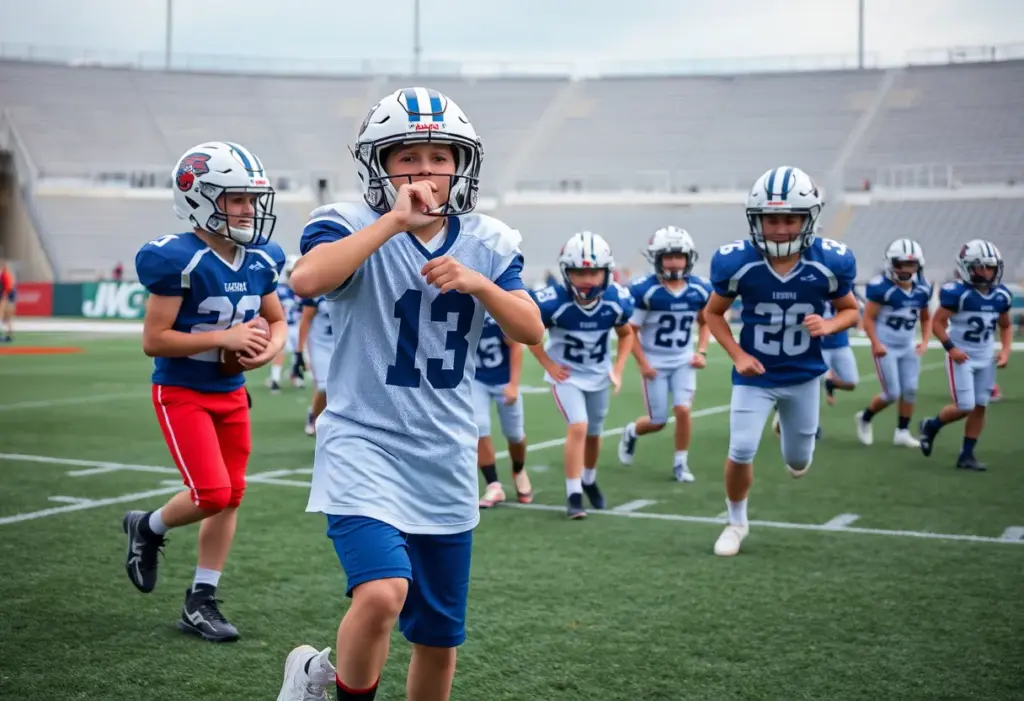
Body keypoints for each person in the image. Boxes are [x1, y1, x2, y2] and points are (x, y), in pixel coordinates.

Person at [277, 87, 544, 701]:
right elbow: (307, 278)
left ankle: (316, 675)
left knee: (438, 638)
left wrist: (480, 284)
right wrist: (395, 221)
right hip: (363, 440)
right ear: (380, 165)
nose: (425, 170)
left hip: (445, 451)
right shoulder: (348, 223)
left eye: (439, 157)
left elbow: (530, 328)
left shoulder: (488, 239)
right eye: (408, 157)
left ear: (461, 165)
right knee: (382, 592)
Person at [122, 141, 286, 641]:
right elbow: (155, 340)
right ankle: (147, 527)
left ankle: (202, 598)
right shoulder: (177, 259)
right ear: (200, 197)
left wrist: (268, 350)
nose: (249, 210)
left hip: (231, 390)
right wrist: (225, 337)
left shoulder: (260, 257)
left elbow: (276, 322)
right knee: (211, 492)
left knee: (232, 495)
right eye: (237, 199)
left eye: (252, 200)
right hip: (184, 390)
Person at [703, 166, 858, 557]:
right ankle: (736, 523)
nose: (780, 229)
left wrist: (829, 323)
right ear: (757, 220)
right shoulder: (737, 262)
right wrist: (738, 355)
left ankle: (785, 428)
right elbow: (713, 314)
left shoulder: (831, 262)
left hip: (805, 375)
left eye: (791, 219)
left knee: (798, 459)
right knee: (740, 449)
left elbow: (851, 311)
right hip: (756, 375)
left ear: (809, 219)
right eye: (771, 219)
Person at [528, 231, 634, 519]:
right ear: (566, 272)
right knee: (579, 426)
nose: (587, 280)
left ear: (607, 272)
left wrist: (619, 368)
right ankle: (574, 493)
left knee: (595, 432)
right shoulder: (552, 301)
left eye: (594, 272)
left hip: (599, 373)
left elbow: (627, 335)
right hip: (568, 376)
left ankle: (588, 478)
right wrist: (548, 364)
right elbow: (528, 334)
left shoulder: (616, 300)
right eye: (578, 272)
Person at [617, 227, 710, 482]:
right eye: (668, 257)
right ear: (656, 259)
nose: (674, 262)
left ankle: (681, 463)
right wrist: (643, 363)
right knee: (658, 421)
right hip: (655, 362)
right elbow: (630, 331)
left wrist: (701, 351)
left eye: (679, 256)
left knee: (683, 410)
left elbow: (706, 320)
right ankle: (632, 432)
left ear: (688, 258)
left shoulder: (700, 289)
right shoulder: (645, 290)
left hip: (683, 360)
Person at [919, 240, 1012, 470]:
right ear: (966, 267)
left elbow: (1006, 325)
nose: (987, 272)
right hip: (962, 356)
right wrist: (951, 348)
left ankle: (967, 455)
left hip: (986, 356)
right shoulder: (958, 294)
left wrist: (1006, 350)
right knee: (965, 406)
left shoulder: (1001, 295)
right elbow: (937, 323)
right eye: (980, 267)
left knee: (981, 406)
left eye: (990, 267)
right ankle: (931, 425)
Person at [854, 239, 932, 448]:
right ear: (890, 264)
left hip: (907, 345)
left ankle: (902, 432)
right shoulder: (882, 287)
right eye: (901, 264)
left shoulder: (922, 289)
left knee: (911, 390)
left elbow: (925, 318)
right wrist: (876, 343)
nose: (906, 269)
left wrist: (924, 341)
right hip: (886, 346)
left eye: (911, 264)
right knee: (891, 393)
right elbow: (868, 319)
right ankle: (865, 417)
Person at [474, 311, 533, 508]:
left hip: (504, 379)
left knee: (514, 434)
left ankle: (519, 470)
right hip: (475, 378)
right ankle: (493, 485)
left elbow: (516, 345)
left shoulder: (495, 310)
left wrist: (514, 384)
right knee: (478, 426)